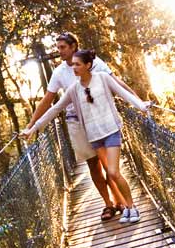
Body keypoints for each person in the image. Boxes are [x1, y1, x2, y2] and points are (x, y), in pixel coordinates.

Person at [23, 49, 150, 223]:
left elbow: (123, 93)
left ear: (88, 65)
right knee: (109, 172)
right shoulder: (73, 90)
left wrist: (141, 106)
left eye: (77, 64)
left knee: (113, 172)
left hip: (111, 130)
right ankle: (127, 209)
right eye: (73, 64)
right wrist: (33, 128)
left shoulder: (103, 79)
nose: (73, 67)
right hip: (94, 136)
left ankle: (131, 207)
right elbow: (55, 109)